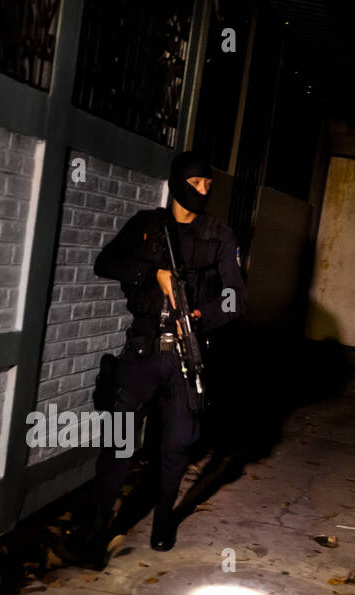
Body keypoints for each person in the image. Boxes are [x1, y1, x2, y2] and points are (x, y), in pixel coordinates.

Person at [56, 150, 247, 569]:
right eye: (196, 184)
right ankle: (94, 536)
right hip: (141, 354)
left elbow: (235, 299)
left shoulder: (220, 235)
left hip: (184, 356)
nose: (203, 192)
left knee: (177, 446)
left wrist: (200, 317)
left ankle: (163, 522)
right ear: (178, 183)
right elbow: (104, 263)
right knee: (118, 445)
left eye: (208, 186)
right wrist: (151, 274)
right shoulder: (146, 226)